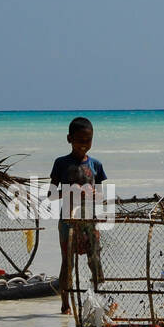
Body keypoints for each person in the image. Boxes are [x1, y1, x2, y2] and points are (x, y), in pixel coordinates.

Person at [49, 116, 107, 314]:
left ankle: (100, 300)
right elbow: (50, 194)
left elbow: (100, 195)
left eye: (88, 141)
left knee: (95, 260)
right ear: (69, 139)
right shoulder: (61, 163)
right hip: (68, 222)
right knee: (68, 263)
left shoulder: (96, 166)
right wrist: (70, 190)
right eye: (80, 140)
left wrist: (94, 196)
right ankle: (66, 303)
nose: (84, 145)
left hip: (90, 221)